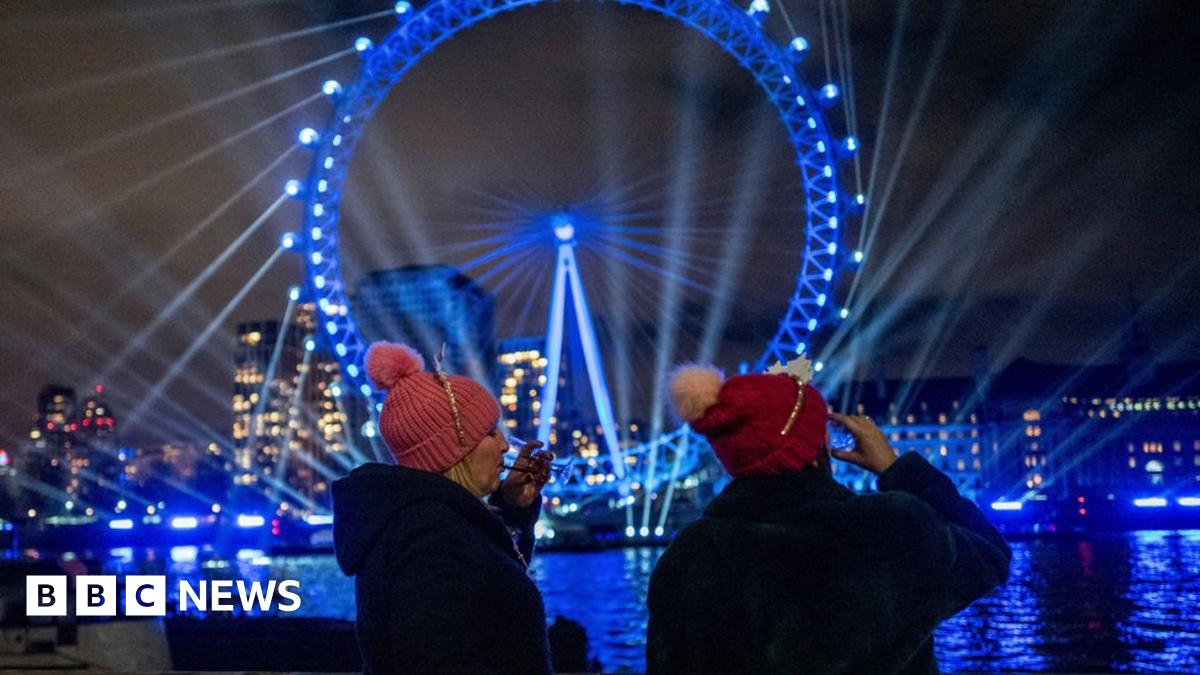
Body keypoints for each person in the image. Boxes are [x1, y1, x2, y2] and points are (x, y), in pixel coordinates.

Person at [646, 358, 1012, 674]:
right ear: (820, 444)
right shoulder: (892, 527)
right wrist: (897, 468)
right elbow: (990, 552)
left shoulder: (691, 558)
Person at [332, 342, 554, 674]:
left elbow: (485, 611)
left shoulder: (430, 521)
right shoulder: (431, 534)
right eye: (490, 432)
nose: (506, 445)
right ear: (456, 447)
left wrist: (513, 512)